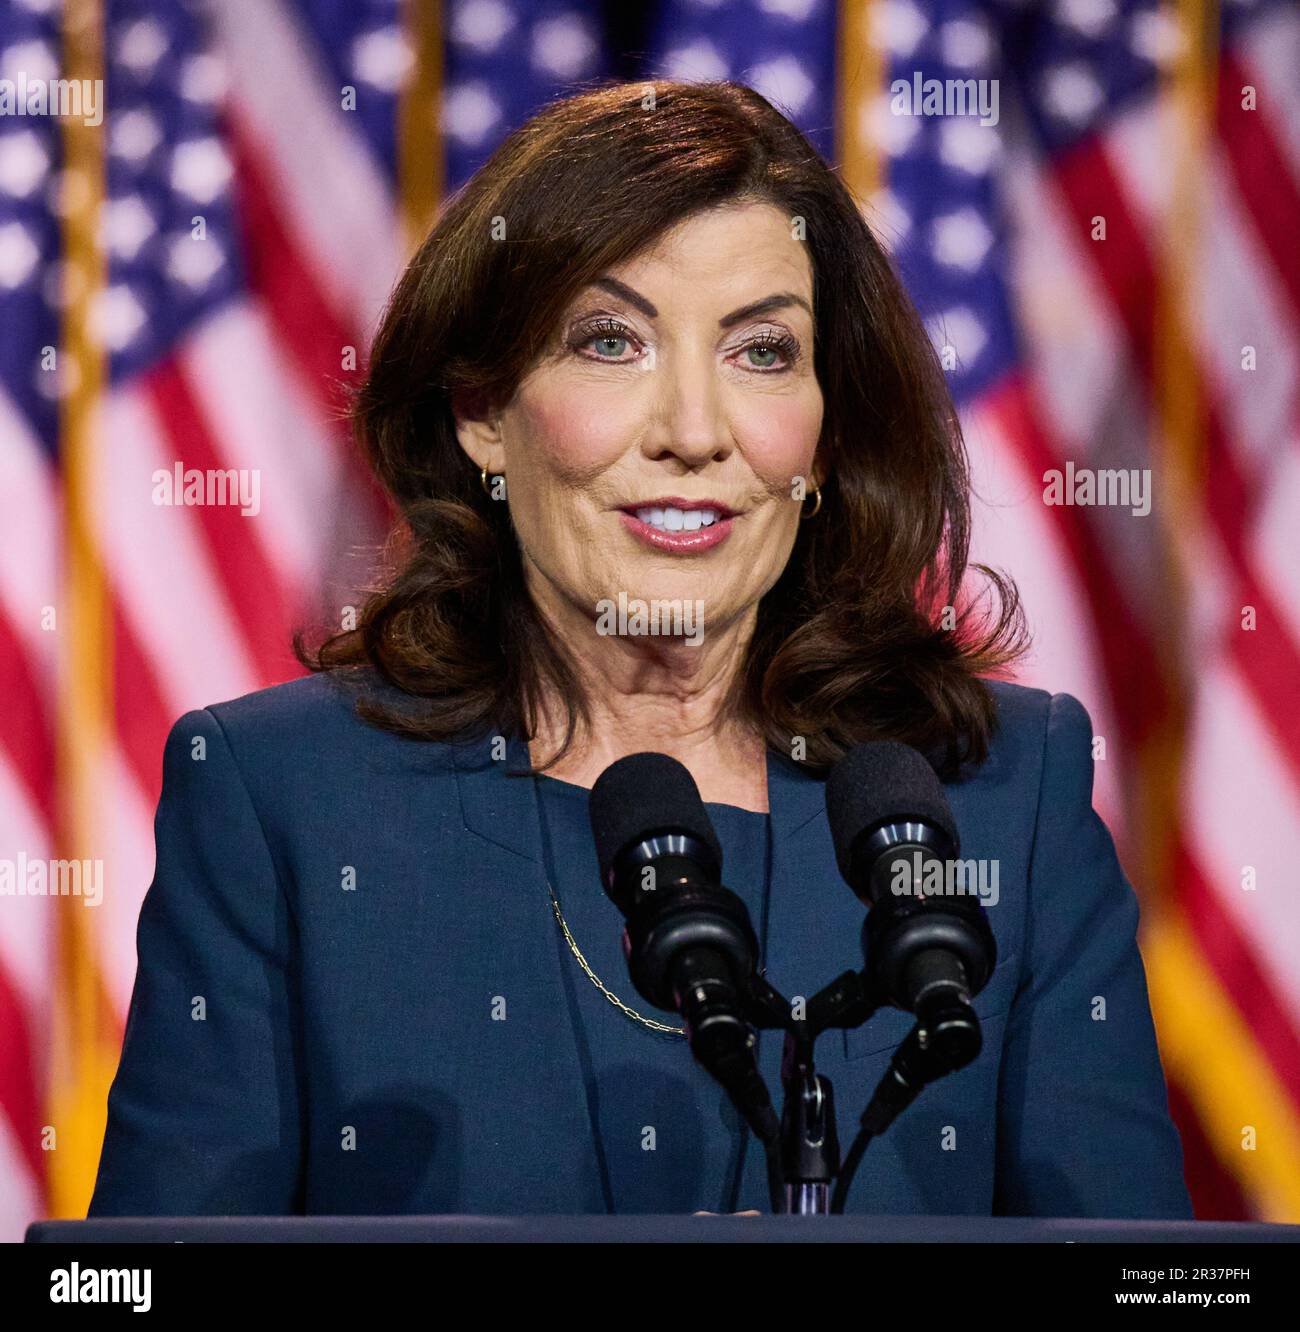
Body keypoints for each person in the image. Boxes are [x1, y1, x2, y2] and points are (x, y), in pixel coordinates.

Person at [88, 79, 1192, 1218]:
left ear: (824, 427)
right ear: (481, 411)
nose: (694, 433)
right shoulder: (286, 804)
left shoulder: (1001, 796)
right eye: (610, 341)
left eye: (762, 352)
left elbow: (1146, 1285)